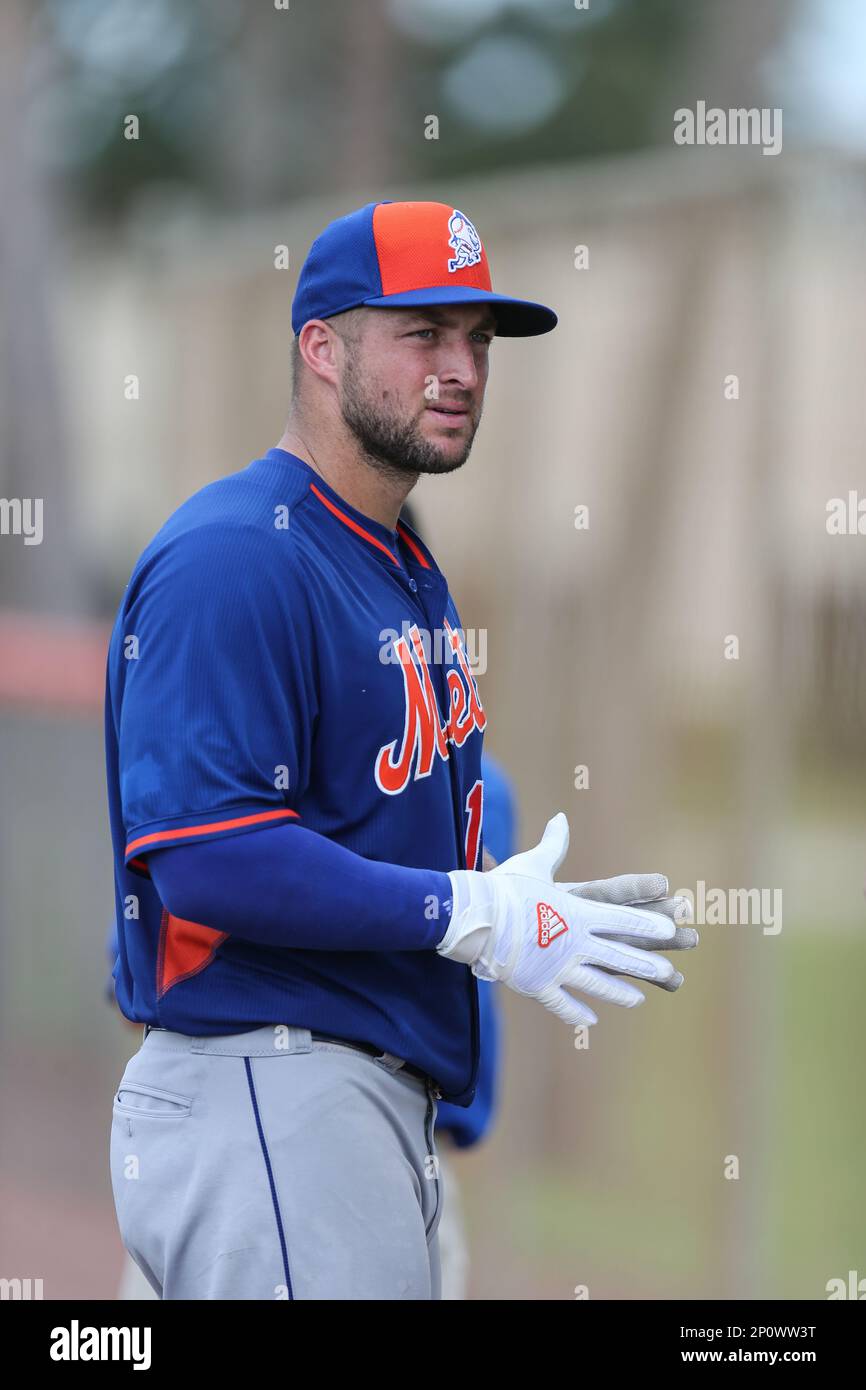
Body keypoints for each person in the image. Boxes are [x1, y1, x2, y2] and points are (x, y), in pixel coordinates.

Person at [105, 199, 697, 1301]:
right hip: (270, 1091)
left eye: (476, 338)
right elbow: (208, 855)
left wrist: (500, 901)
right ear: (320, 348)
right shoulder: (237, 555)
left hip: (349, 1112)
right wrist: (465, 914)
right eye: (420, 332)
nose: (460, 366)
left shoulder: (394, 565)